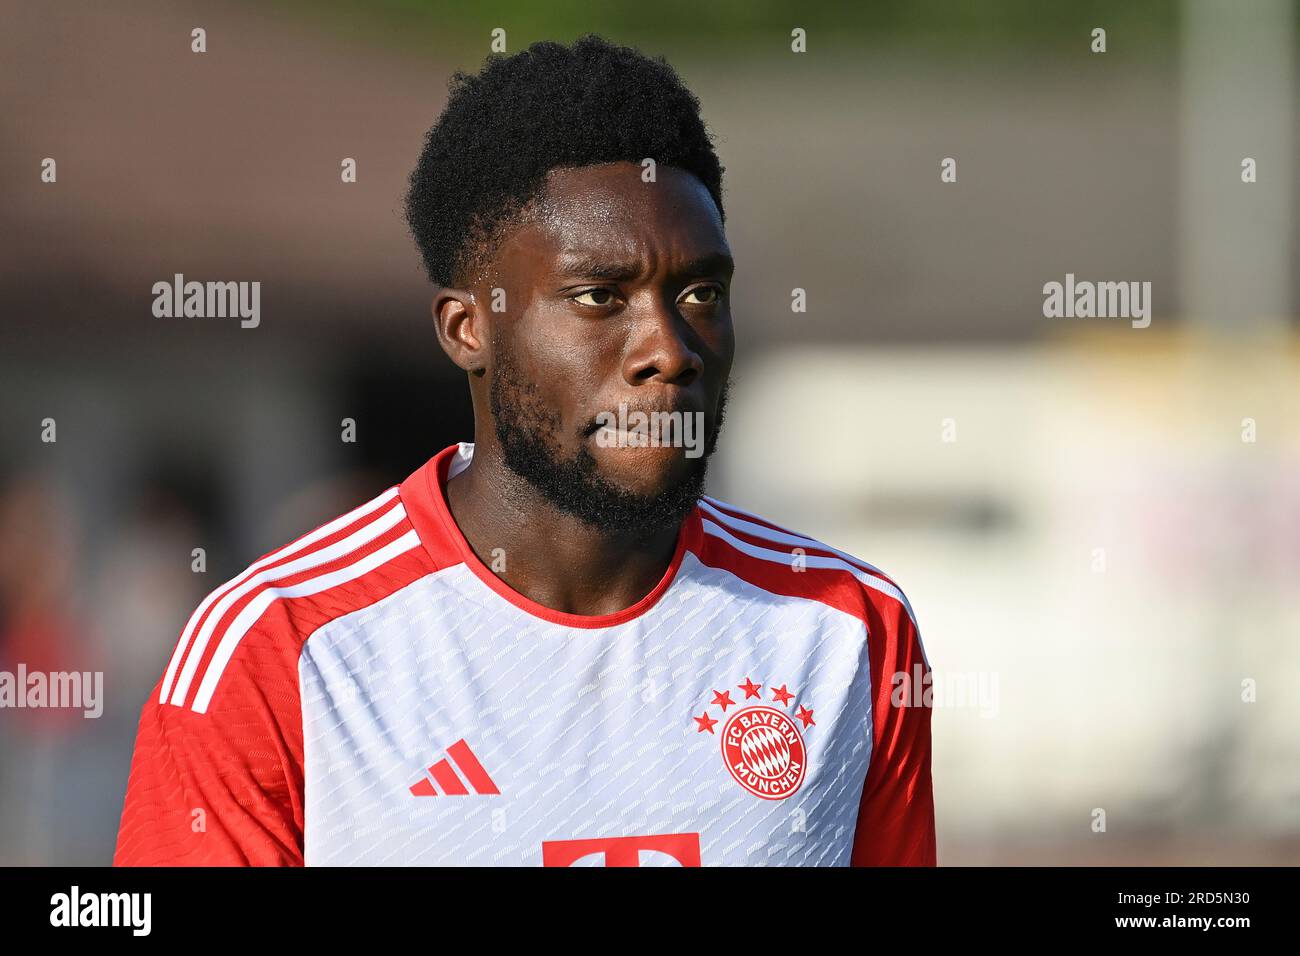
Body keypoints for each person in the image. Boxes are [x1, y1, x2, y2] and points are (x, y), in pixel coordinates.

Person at [114, 34, 934, 867]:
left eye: (700, 294)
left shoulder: (846, 631)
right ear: (469, 330)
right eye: (600, 297)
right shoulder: (281, 652)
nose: (670, 347)